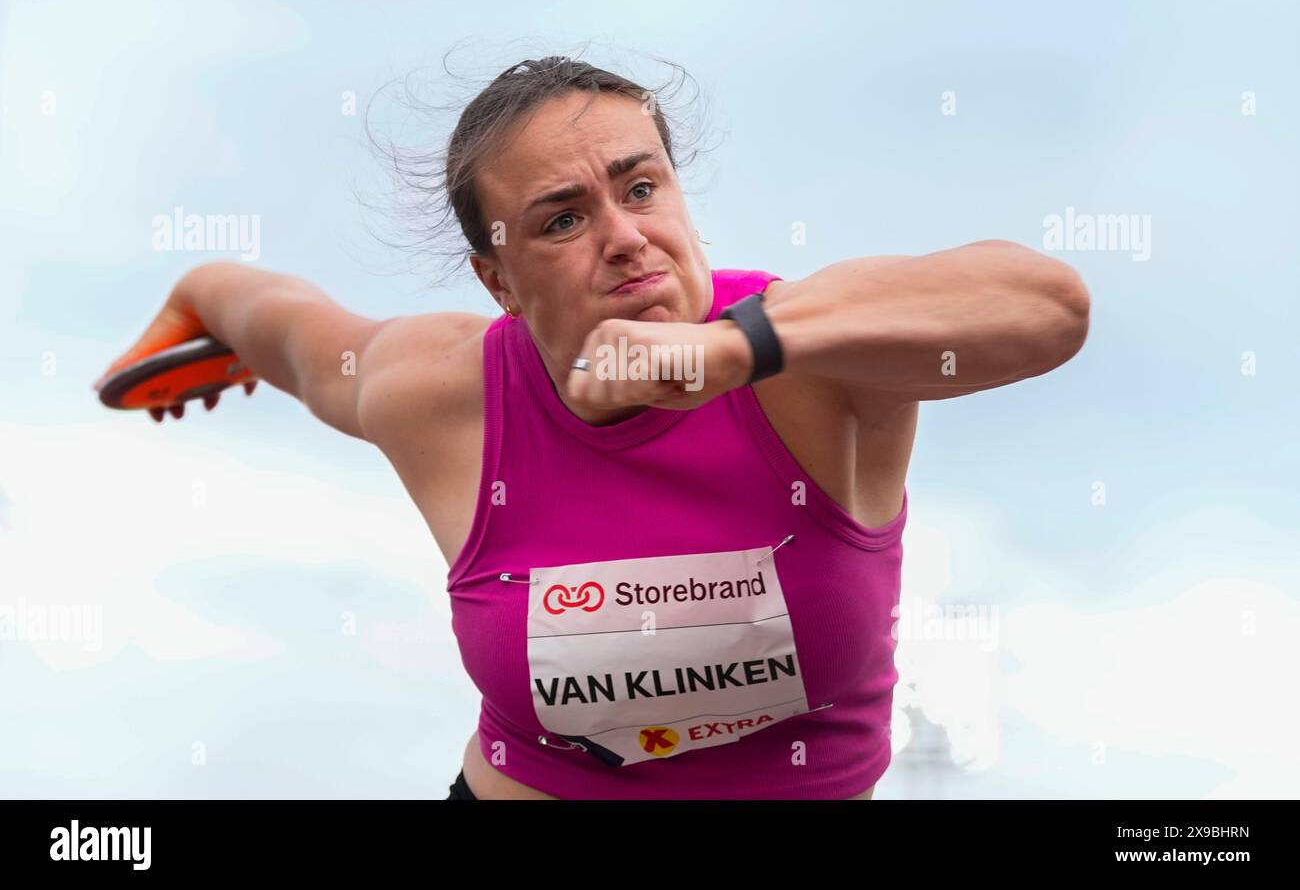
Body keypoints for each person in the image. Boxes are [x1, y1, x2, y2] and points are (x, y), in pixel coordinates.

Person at [97, 56, 1090, 800]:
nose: (624, 236)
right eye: (562, 219)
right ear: (498, 280)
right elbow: (291, 332)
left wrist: (731, 354)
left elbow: (1048, 304)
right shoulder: (441, 391)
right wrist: (201, 300)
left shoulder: (817, 349)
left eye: (641, 187)